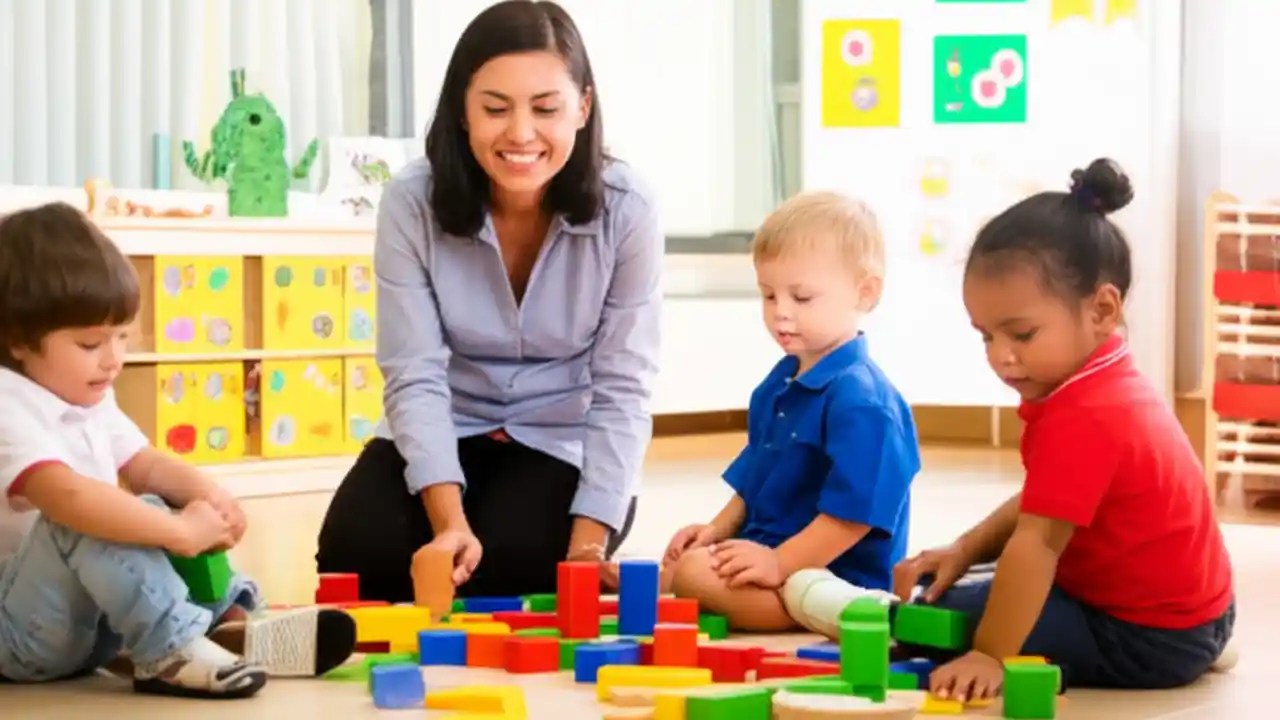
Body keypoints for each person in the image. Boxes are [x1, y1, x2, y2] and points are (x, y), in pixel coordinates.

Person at [315, 0, 662, 602]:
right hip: (451, 423)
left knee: (524, 564)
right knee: (354, 553)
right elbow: (414, 372)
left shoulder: (627, 209)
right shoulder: (412, 202)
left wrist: (586, 551)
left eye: (546, 108)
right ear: (462, 112)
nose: (521, 134)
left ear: (583, 105)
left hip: (561, 438)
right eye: (495, 109)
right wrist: (449, 524)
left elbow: (623, 386)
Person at [891, 159, 1236, 701]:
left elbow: (1037, 543)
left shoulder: (1088, 413)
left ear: (1102, 308)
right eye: (985, 337)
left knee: (932, 619)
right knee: (964, 590)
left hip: (1147, 636)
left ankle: (1192, 652)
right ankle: (1208, 644)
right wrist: (964, 549)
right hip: (1197, 612)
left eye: (1021, 334)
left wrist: (992, 654)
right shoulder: (1106, 378)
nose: (1001, 357)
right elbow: (1040, 502)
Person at [0, 204, 356, 698]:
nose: (113, 360)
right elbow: (66, 497)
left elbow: (144, 464)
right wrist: (177, 531)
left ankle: (229, 623)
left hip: (88, 626)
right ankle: (171, 646)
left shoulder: (88, 395)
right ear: (19, 340)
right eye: (90, 344)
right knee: (98, 512)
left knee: (152, 504)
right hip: (17, 634)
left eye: (122, 338)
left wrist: (208, 497)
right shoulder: (7, 402)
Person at [664, 191, 920, 631]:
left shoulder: (864, 401)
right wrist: (715, 532)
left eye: (801, 298)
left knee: (689, 577)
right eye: (768, 296)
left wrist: (779, 563)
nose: (780, 313)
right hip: (771, 556)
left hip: (832, 575)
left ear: (865, 292)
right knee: (678, 569)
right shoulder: (780, 383)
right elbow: (753, 485)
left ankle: (850, 616)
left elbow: (854, 517)